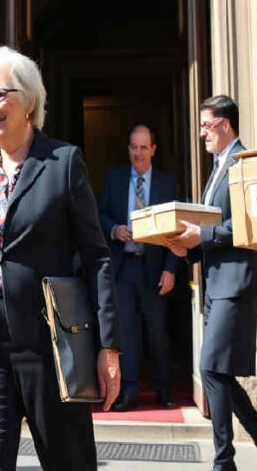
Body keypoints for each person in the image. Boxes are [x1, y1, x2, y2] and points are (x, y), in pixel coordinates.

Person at [0, 46, 120, 470]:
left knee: (67, 462)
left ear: (30, 102)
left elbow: (97, 257)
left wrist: (108, 347)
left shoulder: (62, 162)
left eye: (0, 95)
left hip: (50, 343)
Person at [165, 95, 257, 471]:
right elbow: (212, 226)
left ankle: (225, 461)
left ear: (226, 125)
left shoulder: (243, 164)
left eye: (206, 125)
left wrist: (201, 238)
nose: (201, 133)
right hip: (215, 282)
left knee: (212, 370)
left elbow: (248, 225)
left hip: (237, 282)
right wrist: (188, 251)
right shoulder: (218, 166)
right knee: (217, 370)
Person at [98, 124, 178, 411]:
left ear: (153, 150)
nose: (138, 153)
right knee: (127, 333)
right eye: (134, 147)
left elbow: (177, 230)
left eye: (144, 147)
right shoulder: (115, 179)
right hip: (124, 266)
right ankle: (129, 390)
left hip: (155, 268)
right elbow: (101, 213)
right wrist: (114, 229)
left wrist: (171, 269)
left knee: (157, 332)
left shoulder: (167, 183)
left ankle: (163, 388)